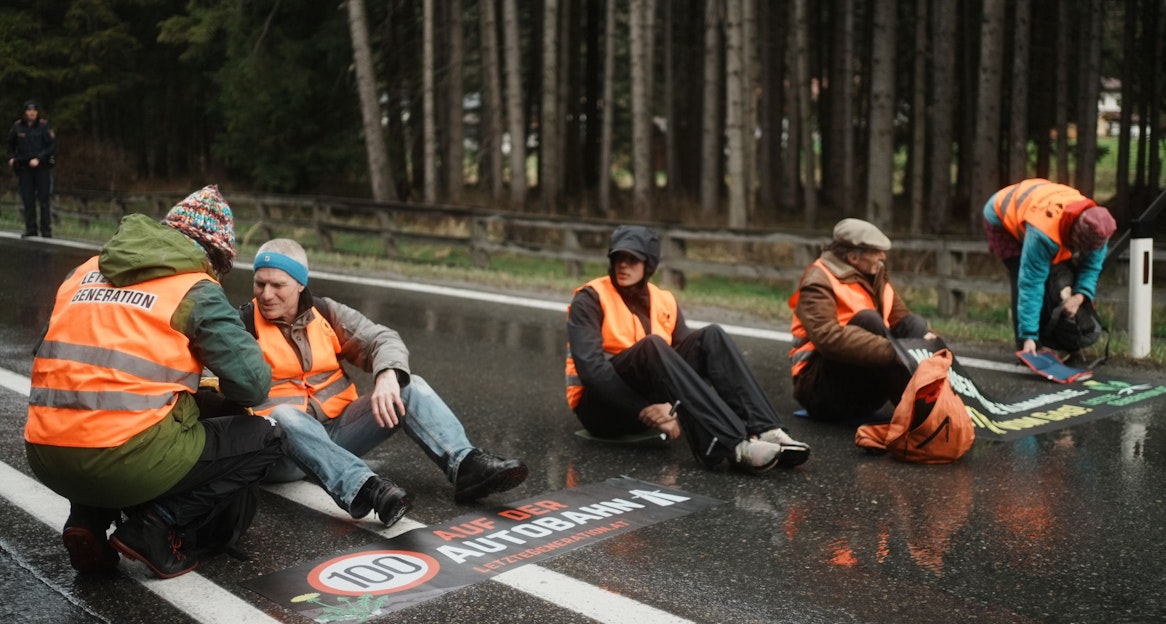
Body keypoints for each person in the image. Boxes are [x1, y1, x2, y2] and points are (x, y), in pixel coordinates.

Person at [25, 186, 283, 579]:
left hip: (44, 452)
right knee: (267, 438)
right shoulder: (195, 288)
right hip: (124, 461)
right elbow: (253, 386)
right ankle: (156, 525)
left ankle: (87, 520)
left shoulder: (82, 272)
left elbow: (53, 356)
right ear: (211, 256)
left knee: (111, 413)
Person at [243, 238, 529, 527]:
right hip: (280, 451)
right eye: (260, 284)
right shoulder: (241, 325)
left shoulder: (325, 313)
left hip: (336, 432)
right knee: (283, 415)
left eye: (278, 285)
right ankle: (367, 489)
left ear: (301, 284)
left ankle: (466, 466)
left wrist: (386, 375)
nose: (266, 294)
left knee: (409, 385)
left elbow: (382, 339)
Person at [565, 225, 811, 473]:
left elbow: (689, 369)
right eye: (618, 258)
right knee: (653, 345)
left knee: (711, 336)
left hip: (650, 403)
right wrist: (641, 409)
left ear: (649, 263)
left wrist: (676, 409)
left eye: (632, 259)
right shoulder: (590, 298)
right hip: (601, 409)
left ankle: (765, 429)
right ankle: (733, 444)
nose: (623, 265)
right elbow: (592, 370)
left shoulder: (664, 299)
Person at [789, 218, 934, 424]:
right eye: (876, 252)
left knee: (915, 324)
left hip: (864, 387)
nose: (883, 256)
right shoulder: (817, 281)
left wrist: (931, 345)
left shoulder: (874, 273)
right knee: (869, 320)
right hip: (822, 393)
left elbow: (901, 318)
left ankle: (927, 404)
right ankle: (918, 416)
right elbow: (829, 339)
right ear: (854, 257)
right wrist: (897, 352)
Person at [983, 179, 1116, 357]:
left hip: (1037, 205)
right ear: (1074, 235)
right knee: (1023, 276)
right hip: (1001, 217)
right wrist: (1029, 334)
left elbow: (1091, 267)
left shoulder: (1099, 228)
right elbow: (1030, 282)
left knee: (1060, 282)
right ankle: (1027, 344)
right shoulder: (1044, 233)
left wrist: (1079, 297)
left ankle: (1058, 340)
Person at [7, 100, 57, 238]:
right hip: (24, 168)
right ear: (25, 112)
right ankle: (31, 228)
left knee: (44, 199)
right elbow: (10, 144)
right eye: (29, 110)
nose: (32, 113)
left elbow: (51, 146)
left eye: (34, 110)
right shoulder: (18, 127)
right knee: (28, 199)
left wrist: (39, 158)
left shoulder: (43, 126)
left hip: (42, 167)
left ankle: (46, 229)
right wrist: (12, 157)